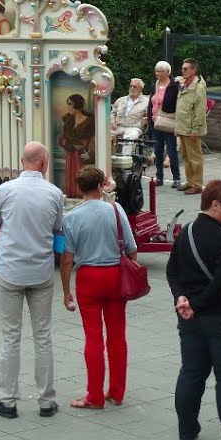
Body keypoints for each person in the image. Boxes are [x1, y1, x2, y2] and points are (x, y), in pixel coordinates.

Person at [166, 180, 221, 440]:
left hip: (190, 321)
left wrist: (182, 299)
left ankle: (187, 433)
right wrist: (198, 304)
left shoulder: (186, 232)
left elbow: (172, 271)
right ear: (215, 204)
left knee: (191, 373)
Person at [0, 141, 65, 419]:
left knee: (10, 337)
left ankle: (7, 400)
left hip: (10, 270)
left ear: (22, 160)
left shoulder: (5, 190)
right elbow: (58, 229)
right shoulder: (55, 194)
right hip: (40, 270)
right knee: (43, 336)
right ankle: (46, 401)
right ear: (43, 162)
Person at [60, 165, 137, 409]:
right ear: (101, 185)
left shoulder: (71, 217)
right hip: (115, 274)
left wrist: (66, 290)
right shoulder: (116, 210)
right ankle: (116, 392)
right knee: (117, 336)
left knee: (92, 338)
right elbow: (132, 249)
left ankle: (94, 395)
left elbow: (67, 258)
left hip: (88, 277)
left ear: (79, 188)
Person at [175, 58, 208, 195]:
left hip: (192, 128)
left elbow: (200, 110)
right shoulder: (184, 83)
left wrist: (195, 130)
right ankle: (189, 181)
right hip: (183, 127)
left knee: (195, 158)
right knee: (186, 157)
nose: (183, 71)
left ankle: (197, 184)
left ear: (194, 70)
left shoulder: (198, 87)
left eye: (186, 69)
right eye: (182, 68)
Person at [150, 61, 181, 189]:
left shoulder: (174, 86)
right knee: (157, 150)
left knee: (171, 151)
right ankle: (159, 177)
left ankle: (176, 178)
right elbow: (151, 103)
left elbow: (177, 104)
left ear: (167, 72)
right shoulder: (155, 84)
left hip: (168, 123)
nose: (157, 73)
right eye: (156, 71)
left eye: (160, 71)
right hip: (156, 123)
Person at [58, 94, 94, 198]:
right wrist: (71, 144)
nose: (68, 107)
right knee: (71, 182)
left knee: (82, 178)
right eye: (68, 104)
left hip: (83, 156)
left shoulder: (89, 121)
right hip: (70, 156)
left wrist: (90, 155)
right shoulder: (68, 120)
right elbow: (62, 139)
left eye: (70, 104)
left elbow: (94, 140)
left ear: (77, 105)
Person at [110, 78, 148, 155]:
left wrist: (146, 120)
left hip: (134, 127)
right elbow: (112, 113)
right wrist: (112, 121)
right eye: (131, 86)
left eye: (135, 87)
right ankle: (107, 158)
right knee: (104, 134)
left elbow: (150, 116)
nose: (132, 88)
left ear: (141, 89)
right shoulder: (121, 100)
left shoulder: (146, 102)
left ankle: (124, 159)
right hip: (118, 126)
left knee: (131, 136)